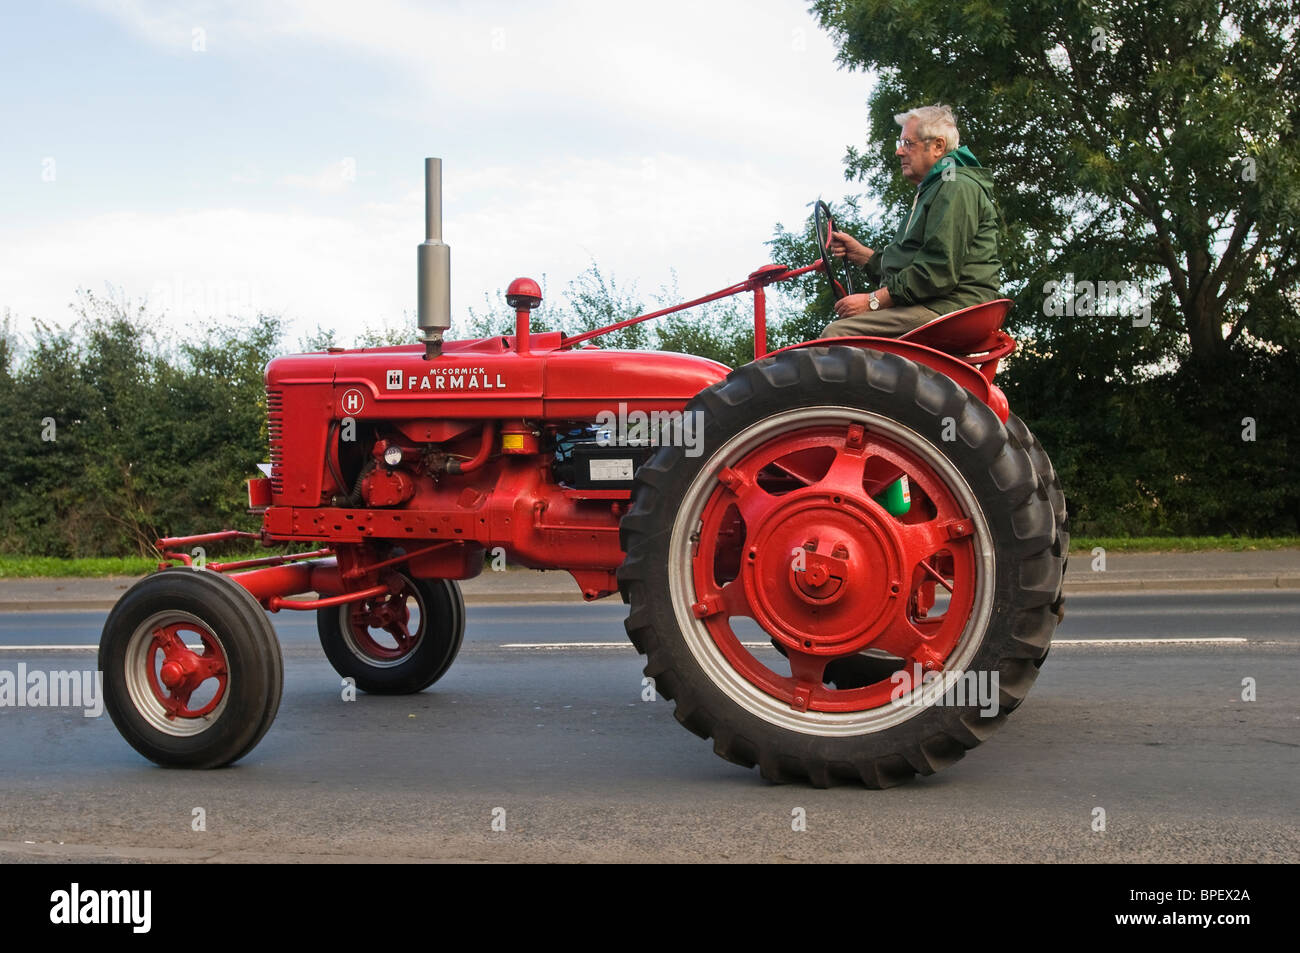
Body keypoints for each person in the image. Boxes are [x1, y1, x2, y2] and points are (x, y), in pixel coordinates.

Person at [822, 104, 1001, 338]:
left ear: (938, 146)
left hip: (953, 308)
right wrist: (864, 257)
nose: (899, 152)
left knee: (838, 335)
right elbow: (912, 263)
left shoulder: (955, 186)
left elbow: (937, 271)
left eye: (908, 143)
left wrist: (872, 302)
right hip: (939, 303)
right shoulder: (935, 189)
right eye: (900, 144)